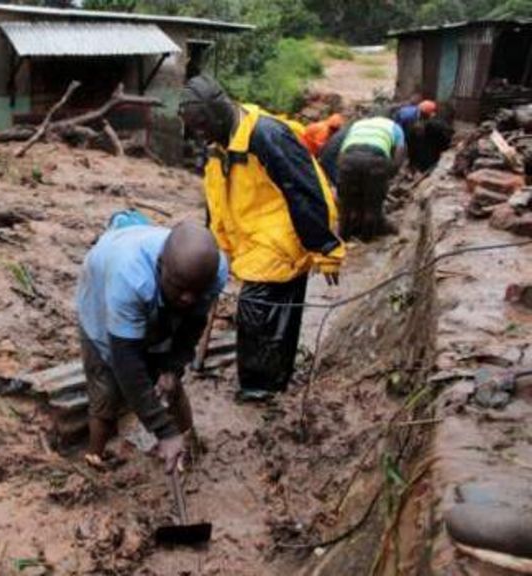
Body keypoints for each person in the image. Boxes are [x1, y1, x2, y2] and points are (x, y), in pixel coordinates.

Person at [178, 75, 344, 402]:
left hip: (283, 234)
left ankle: (260, 388)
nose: (198, 134)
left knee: (257, 307)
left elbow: (306, 189)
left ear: (219, 111)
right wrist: (216, 245)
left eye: (200, 125)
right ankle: (272, 380)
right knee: (276, 316)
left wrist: (324, 247)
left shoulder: (267, 135)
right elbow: (215, 198)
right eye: (193, 127)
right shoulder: (218, 144)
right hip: (251, 236)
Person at [76, 220, 227, 473]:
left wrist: (172, 368)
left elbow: (193, 325)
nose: (189, 297)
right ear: (160, 268)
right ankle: (95, 456)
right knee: (107, 387)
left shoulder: (213, 272)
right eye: (180, 289)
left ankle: (189, 444)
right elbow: (127, 365)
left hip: (153, 291)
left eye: (195, 291)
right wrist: (164, 431)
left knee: (169, 384)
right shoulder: (130, 279)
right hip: (102, 288)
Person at [336, 117, 406, 240]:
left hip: (348, 159)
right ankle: (367, 239)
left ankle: (344, 236)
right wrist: (388, 175)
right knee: (373, 205)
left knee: (346, 205)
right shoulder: (396, 128)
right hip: (375, 160)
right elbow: (399, 154)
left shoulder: (357, 124)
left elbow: (342, 152)